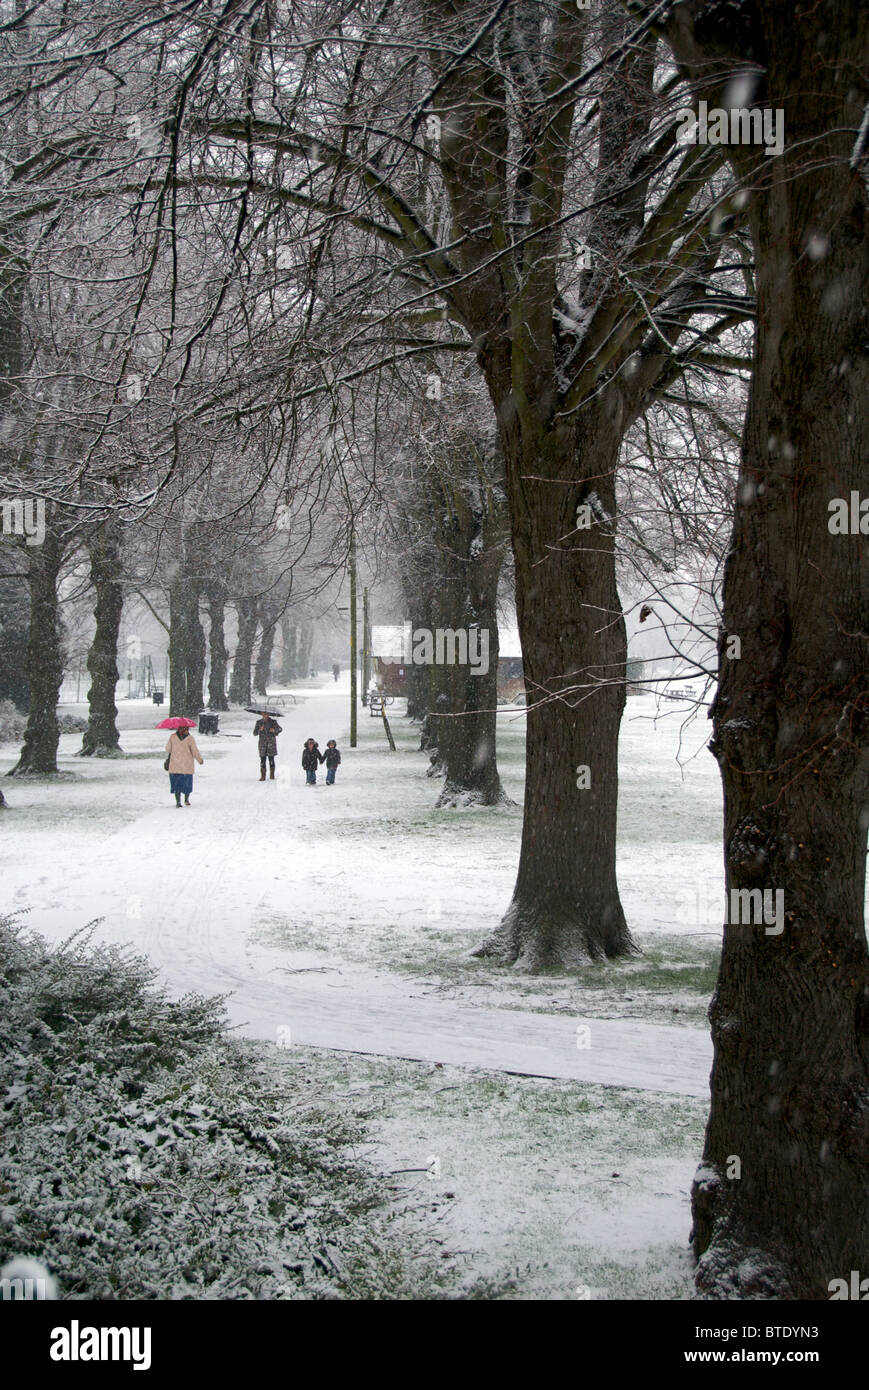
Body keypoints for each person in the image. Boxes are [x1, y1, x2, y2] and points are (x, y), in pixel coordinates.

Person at [165, 725, 204, 807]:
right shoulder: (190, 739)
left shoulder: (172, 737)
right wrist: (200, 760)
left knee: (176, 785)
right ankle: (186, 799)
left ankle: (178, 802)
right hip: (186, 766)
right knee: (187, 784)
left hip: (175, 766)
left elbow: (168, 749)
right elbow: (195, 751)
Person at [253, 713, 282, 780]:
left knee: (271, 759)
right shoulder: (259, 722)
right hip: (262, 744)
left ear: (268, 714)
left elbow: (280, 729)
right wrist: (259, 729)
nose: (265, 715)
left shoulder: (273, 722)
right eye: (263, 714)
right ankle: (263, 776)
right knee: (262, 760)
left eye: (266, 714)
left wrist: (274, 730)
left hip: (271, 744)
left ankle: (272, 775)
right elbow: (254, 733)